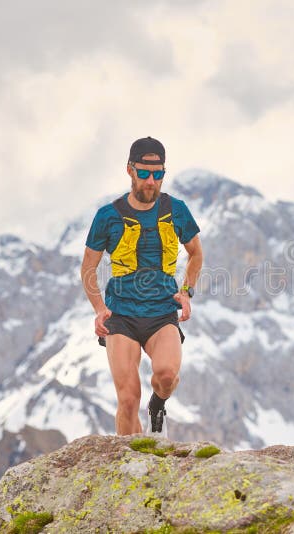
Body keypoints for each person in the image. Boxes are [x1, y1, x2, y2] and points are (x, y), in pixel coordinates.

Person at [81, 136, 203, 436]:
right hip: (121, 316)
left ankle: (158, 404)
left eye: (158, 174)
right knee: (126, 399)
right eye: (145, 173)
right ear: (130, 170)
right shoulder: (107, 216)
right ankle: (130, 467)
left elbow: (196, 253)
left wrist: (186, 293)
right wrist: (99, 309)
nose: (151, 181)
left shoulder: (177, 210)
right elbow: (88, 268)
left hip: (162, 312)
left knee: (166, 376)